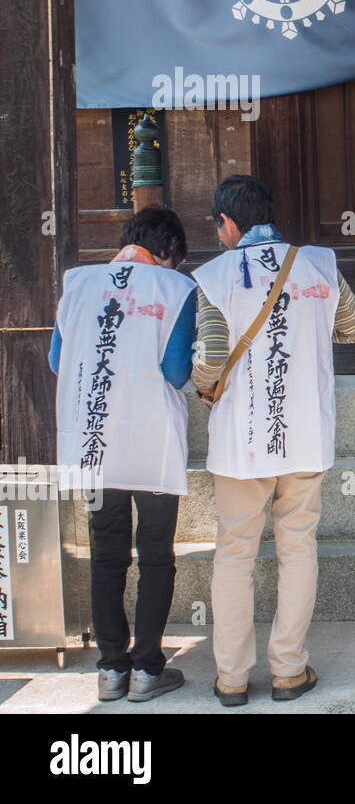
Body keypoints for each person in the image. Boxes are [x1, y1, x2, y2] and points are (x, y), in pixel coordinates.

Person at [190, 175, 355, 706]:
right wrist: (313, 329)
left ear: (227, 222)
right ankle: (290, 670)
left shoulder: (216, 275)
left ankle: (231, 679)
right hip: (305, 437)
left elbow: (212, 356)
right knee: (298, 550)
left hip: (240, 443)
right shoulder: (318, 264)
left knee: (234, 556)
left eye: (217, 226)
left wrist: (204, 386)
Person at [51, 206, 196, 703]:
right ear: (171, 250)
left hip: (93, 442)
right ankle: (148, 671)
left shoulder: (77, 283)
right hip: (151, 440)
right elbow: (178, 370)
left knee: (106, 556)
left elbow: (57, 361)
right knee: (156, 555)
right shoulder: (175, 289)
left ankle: (111, 669)